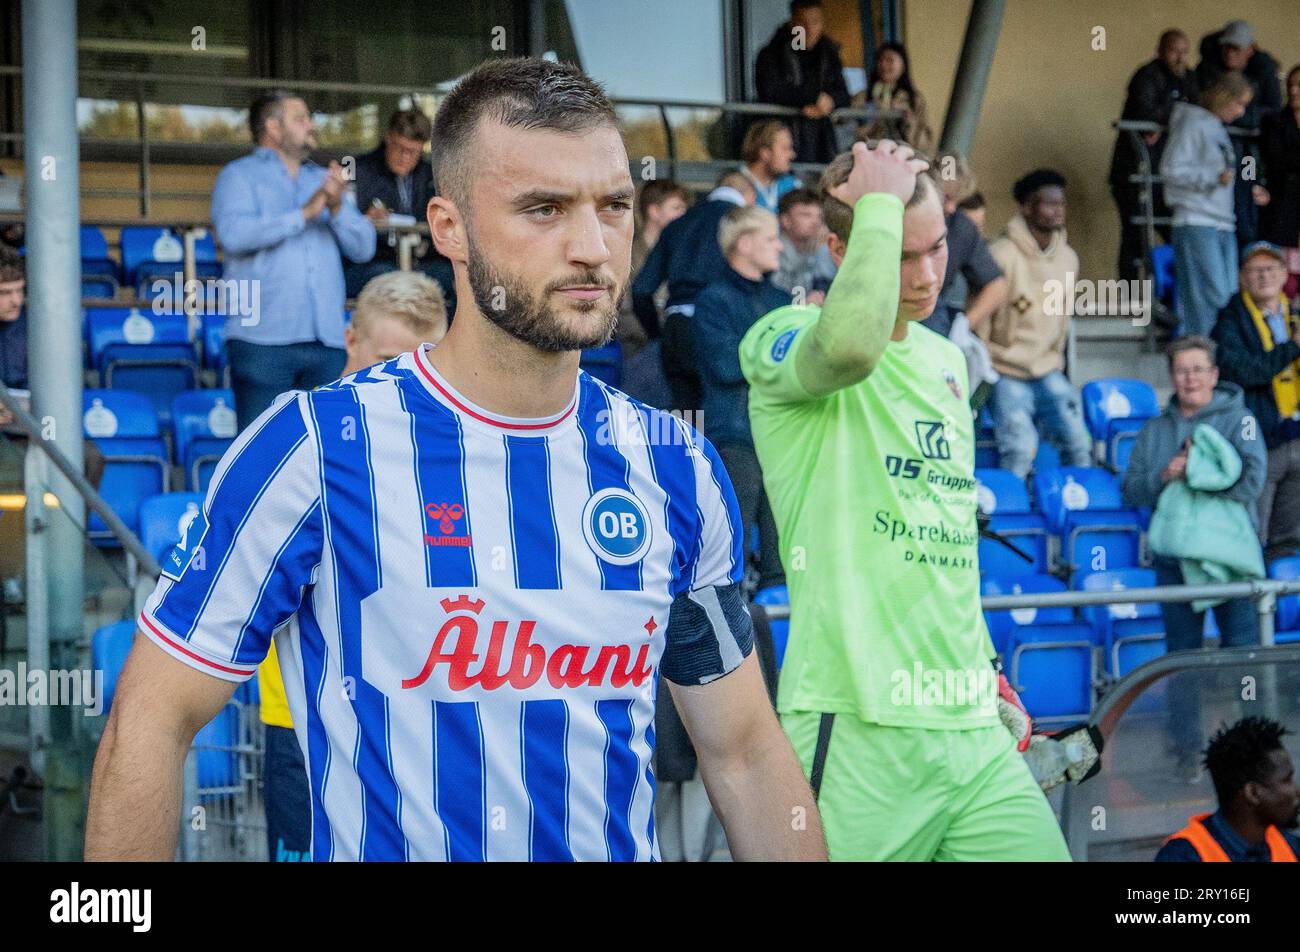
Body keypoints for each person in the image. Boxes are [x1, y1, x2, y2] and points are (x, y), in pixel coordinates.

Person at [85, 57, 825, 863]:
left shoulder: (676, 464)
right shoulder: (314, 451)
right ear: (447, 228)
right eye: (543, 208)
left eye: (614, 205)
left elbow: (746, 753)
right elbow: (152, 717)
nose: (591, 246)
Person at [739, 140, 1069, 861]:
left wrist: (985, 673)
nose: (926, 277)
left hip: (972, 730)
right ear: (840, 247)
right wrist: (879, 204)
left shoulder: (947, 358)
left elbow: (944, 537)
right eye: (899, 254)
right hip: (858, 730)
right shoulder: (783, 334)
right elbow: (850, 348)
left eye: (938, 248)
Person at [258, 268, 448, 862]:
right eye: (386, 358)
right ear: (349, 341)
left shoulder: (442, 449)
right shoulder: (293, 442)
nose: (403, 379)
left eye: (424, 362)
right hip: (308, 725)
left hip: (420, 725)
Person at [1121, 336, 1264, 778]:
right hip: (1174, 560)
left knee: (1244, 656)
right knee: (1181, 658)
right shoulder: (1154, 430)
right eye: (1182, 370)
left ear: (1215, 375)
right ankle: (1187, 752)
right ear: (1171, 377)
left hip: (1228, 559)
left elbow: (1251, 482)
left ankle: (1254, 752)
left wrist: (1199, 474)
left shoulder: (1240, 420)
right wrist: (1167, 475)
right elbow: (1132, 490)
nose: (1191, 378)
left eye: (1199, 369)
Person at [211, 89, 377, 433]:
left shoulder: (323, 181)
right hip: (262, 341)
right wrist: (305, 213)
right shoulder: (237, 175)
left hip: (326, 340)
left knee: (324, 451)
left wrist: (333, 208)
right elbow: (234, 235)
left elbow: (364, 247)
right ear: (272, 127)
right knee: (259, 451)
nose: (311, 125)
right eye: (301, 118)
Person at [695, 205, 790, 593]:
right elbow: (726, 365)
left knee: (783, 554)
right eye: (770, 238)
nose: (780, 247)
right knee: (731, 546)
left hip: (782, 436)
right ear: (745, 243)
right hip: (735, 437)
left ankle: (778, 627)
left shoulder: (783, 299)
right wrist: (776, 351)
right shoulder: (712, 301)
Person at [978, 169, 1091, 478]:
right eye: (1048, 203)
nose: (1058, 210)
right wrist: (988, 360)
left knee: (1079, 444)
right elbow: (982, 315)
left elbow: (1064, 316)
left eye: (1062, 204)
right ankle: (1012, 521)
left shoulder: (1068, 258)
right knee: (1018, 450)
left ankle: (1074, 509)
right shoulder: (1001, 254)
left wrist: (1056, 358)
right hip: (1005, 370)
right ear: (1027, 207)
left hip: (1047, 369)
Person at [631, 171, 755, 413]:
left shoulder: (677, 224)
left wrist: (659, 334)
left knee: (686, 419)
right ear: (749, 196)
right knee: (724, 420)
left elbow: (641, 291)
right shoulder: (743, 227)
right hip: (721, 329)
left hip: (677, 329)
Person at [1212, 241, 1300, 564]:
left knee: (1289, 538)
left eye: (1270, 268)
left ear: (1283, 274)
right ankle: (1251, 610)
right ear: (1241, 278)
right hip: (1258, 440)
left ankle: (1283, 611)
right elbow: (1245, 372)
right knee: (1252, 532)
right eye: (1254, 270)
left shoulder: (1295, 313)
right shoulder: (1229, 322)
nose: (1263, 276)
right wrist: (1291, 348)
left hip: (1297, 437)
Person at [1161, 73, 1254, 338]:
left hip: (1222, 220)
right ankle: (1205, 355)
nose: (1241, 111)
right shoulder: (1191, 123)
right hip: (1196, 218)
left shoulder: (1217, 128)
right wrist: (1211, 178)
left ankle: (1222, 356)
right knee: (1206, 297)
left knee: (1227, 295)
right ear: (1224, 98)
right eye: (1238, 103)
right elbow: (1171, 169)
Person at [1108, 29, 1199, 281]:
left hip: (1168, 175)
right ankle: (1129, 301)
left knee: (1177, 234)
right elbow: (1144, 113)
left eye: (1184, 51)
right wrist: (1173, 116)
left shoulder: (1189, 78)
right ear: (1159, 51)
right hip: (1134, 171)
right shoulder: (1146, 75)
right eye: (1173, 51)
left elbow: (1199, 111)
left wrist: (1168, 118)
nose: (1180, 57)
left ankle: (1174, 297)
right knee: (1135, 235)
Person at [346, 108, 455, 313]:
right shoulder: (360, 170)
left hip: (423, 258)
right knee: (389, 281)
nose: (405, 157)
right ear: (388, 139)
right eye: (399, 148)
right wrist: (365, 220)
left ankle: (441, 344)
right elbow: (343, 225)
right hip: (376, 260)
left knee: (452, 277)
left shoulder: (431, 174)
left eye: (413, 152)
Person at [1155, 717, 1300, 861]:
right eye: (1286, 780)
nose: (1297, 791)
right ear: (1253, 793)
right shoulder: (1183, 856)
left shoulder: (1290, 846)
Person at [1195, 20, 1283, 250]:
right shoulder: (1208, 68)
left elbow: (1273, 110)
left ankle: (1247, 243)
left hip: (1249, 152)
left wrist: (1246, 117)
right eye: (1226, 47)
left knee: (1247, 190)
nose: (1229, 53)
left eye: (1235, 48)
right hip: (1219, 151)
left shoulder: (1263, 69)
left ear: (1249, 50)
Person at [755, 0, 850, 164]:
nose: (809, 29)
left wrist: (830, 101)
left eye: (815, 22)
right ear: (792, 23)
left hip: (822, 142)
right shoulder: (772, 53)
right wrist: (812, 98)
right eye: (802, 23)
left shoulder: (829, 54)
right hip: (784, 142)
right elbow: (770, 90)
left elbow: (843, 94)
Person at [925, 152, 1005, 339]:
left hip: (931, 312)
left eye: (956, 201)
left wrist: (965, 325)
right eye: (946, 198)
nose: (951, 208)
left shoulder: (960, 227)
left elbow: (997, 285)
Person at [856, 42, 934, 156]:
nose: (883, 65)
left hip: (904, 160)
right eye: (880, 60)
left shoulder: (915, 99)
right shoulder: (862, 97)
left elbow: (924, 143)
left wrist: (908, 121)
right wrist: (878, 113)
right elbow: (851, 134)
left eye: (890, 60)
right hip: (870, 159)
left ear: (903, 65)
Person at [1259, 66, 1300, 255]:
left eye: (1299, 85)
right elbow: (1251, 159)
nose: (1293, 90)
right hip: (1280, 203)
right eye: (1290, 85)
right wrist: (1251, 183)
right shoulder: (1273, 121)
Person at [772, 187, 836, 302]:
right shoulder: (773, 253)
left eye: (819, 217)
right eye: (806, 215)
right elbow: (772, 302)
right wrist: (803, 303)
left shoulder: (817, 251)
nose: (815, 222)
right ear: (785, 220)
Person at [738, 121, 800, 215]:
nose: (792, 155)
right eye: (786, 148)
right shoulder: (734, 188)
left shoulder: (793, 186)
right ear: (765, 153)